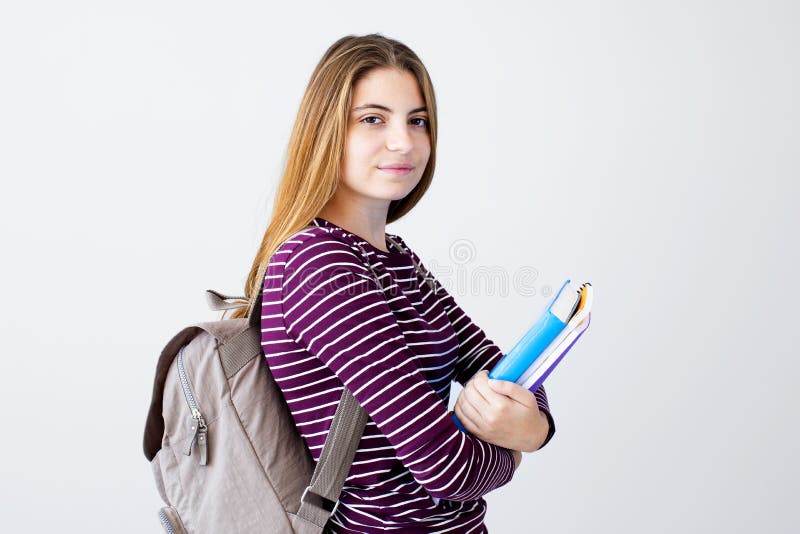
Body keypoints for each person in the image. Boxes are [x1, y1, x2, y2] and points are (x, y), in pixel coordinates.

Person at [231, 33, 555, 533]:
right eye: (373, 119)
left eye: (417, 120)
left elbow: (502, 368)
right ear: (326, 132)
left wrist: (536, 423)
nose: (403, 141)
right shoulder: (318, 265)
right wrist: (521, 445)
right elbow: (447, 468)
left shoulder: (394, 258)